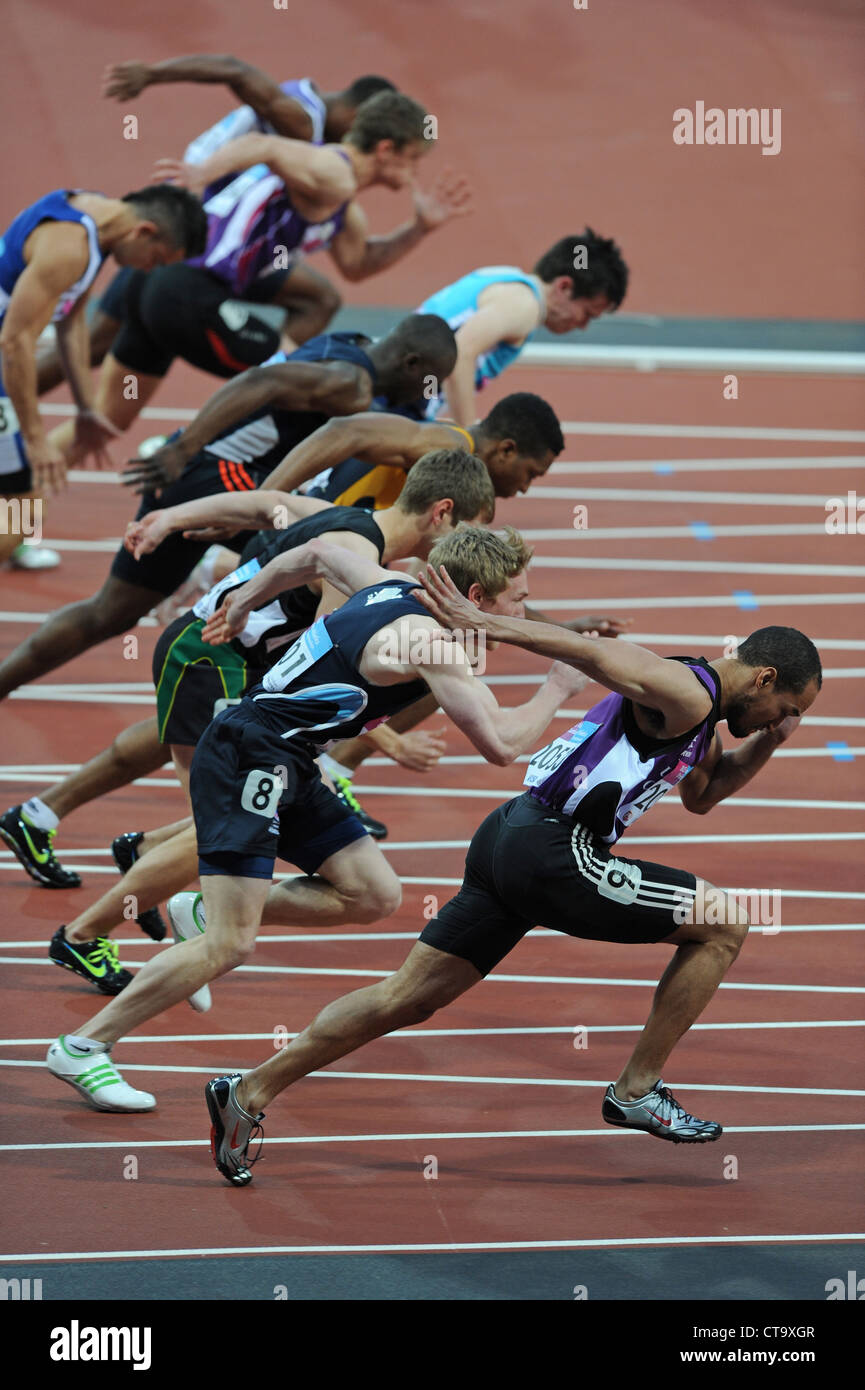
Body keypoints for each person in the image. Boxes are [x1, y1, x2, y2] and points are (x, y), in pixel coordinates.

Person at [200, 596, 823, 1185]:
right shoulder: (687, 690)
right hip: (554, 851)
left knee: (407, 998)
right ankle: (637, 1090)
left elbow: (704, 798)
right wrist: (486, 623)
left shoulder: (701, 720)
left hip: (509, 836)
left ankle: (249, 1089)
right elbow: (598, 656)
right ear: (764, 678)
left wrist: (768, 741)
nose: (787, 721)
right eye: (790, 708)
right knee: (724, 925)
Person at [44, 525, 590, 1112]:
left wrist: (243, 603)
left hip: (289, 758)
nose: (524, 611)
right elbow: (502, 744)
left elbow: (317, 553)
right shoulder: (430, 642)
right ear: (476, 598)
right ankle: (84, 1044)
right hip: (248, 758)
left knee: (372, 894)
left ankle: (196, 911)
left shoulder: (391, 583)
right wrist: (559, 686)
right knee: (232, 944)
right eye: (518, 600)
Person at [45, 450, 496, 996]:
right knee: (215, 830)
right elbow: (331, 679)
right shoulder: (360, 556)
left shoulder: (351, 521)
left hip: (224, 661)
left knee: (218, 822)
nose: (474, 554)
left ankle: (138, 864)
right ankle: (89, 930)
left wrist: (173, 517)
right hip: (213, 660)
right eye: (474, 532)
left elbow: (270, 503)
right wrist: (393, 742)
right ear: (443, 514)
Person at [0, 314, 457, 710]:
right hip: (214, 472)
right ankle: (242, 625)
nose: (425, 398)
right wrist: (183, 449)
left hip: (215, 469)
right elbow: (258, 382)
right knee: (327, 546)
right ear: (411, 364)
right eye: (428, 383)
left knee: (112, 612)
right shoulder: (349, 383)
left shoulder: (354, 343)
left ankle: (234, 621)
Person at [45, 92, 470, 453]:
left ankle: (20, 482)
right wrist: (200, 174)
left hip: (161, 286)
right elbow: (263, 145)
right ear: (385, 150)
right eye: (413, 158)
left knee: (105, 422)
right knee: (290, 384)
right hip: (186, 291)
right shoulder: (333, 171)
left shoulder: (341, 201)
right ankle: (187, 448)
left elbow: (358, 266)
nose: (415, 173)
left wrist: (418, 230)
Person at [36, 65, 398, 392]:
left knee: (319, 296)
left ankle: (276, 368)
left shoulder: (322, 149)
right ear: (359, 119)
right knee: (98, 342)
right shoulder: (301, 121)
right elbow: (234, 70)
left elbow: (356, 261)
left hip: (228, 242)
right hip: (190, 230)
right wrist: (151, 75)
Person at [0, 184, 206, 567]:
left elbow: (72, 320)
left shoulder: (89, 216)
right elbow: (13, 342)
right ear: (143, 232)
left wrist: (84, 408)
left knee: (19, 509)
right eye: (156, 260)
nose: (150, 271)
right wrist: (36, 441)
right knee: (21, 515)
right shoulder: (70, 248)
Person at [415, 230, 629, 424]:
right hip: (399, 403)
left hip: (400, 391)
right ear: (564, 287)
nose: (583, 326)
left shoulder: (502, 277)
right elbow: (459, 353)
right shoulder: (525, 306)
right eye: (587, 314)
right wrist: (469, 441)